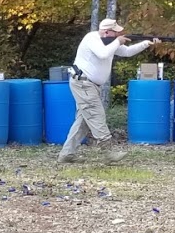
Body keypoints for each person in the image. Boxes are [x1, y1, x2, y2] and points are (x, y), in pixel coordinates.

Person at [58, 17, 155, 164]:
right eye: (115, 32)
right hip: (83, 84)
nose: (117, 35)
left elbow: (127, 52)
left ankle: (67, 154)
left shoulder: (110, 42)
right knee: (96, 115)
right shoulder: (92, 38)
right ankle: (108, 153)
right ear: (106, 32)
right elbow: (103, 53)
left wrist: (146, 43)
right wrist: (117, 42)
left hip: (88, 85)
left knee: (84, 121)